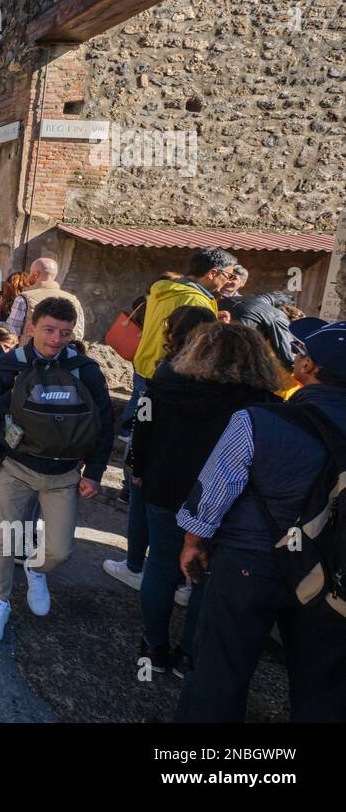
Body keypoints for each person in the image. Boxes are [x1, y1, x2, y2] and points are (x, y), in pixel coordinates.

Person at [175, 319, 346, 722]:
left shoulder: (257, 420)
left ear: (309, 369)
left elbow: (212, 493)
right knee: (324, 688)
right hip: (334, 574)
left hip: (252, 562)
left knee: (220, 671)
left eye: (302, 354)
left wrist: (193, 543)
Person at [127, 322, 281, 678]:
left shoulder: (162, 385)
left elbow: (142, 429)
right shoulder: (263, 404)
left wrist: (138, 468)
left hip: (164, 490)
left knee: (161, 567)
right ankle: (189, 655)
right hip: (224, 503)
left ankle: (153, 647)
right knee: (205, 577)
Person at [0, 297, 115, 642]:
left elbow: (105, 423)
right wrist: (17, 391)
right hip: (17, 467)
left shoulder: (84, 369)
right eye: (49, 330)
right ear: (32, 327)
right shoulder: (10, 365)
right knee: (4, 539)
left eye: (65, 333)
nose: (56, 339)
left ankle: (36, 570)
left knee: (60, 550)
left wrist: (94, 473)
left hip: (63, 475)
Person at [105, 305, 218, 594]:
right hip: (200, 469)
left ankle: (133, 567)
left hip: (159, 463)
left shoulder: (167, 371)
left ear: (172, 331)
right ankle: (185, 583)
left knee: (144, 519)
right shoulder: (220, 373)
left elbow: (145, 420)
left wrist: (136, 464)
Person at [133, 248, 239, 382]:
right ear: (213, 273)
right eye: (229, 276)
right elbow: (198, 346)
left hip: (144, 364)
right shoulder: (195, 301)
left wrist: (210, 316)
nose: (228, 281)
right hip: (169, 374)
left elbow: (168, 318)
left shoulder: (164, 289)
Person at [4, 257, 86, 343]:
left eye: (30, 273)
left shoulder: (24, 298)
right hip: (63, 353)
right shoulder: (74, 300)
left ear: (35, 274)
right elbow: (79, 334)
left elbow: (11, 332)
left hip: (29, 353)